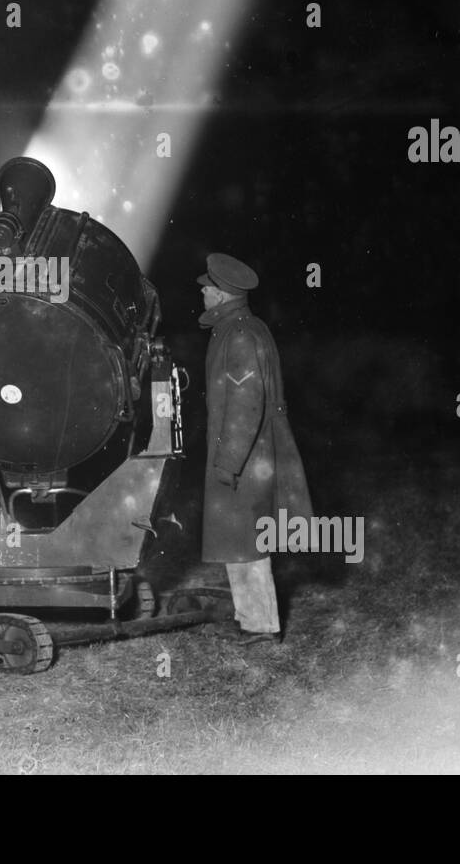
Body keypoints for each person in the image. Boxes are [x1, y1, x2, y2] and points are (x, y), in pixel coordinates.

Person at [198, 252, 313, 644]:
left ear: (221, 294)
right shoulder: (246, 328)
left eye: (207, 288)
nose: (202, 293)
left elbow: (245, 406)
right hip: (252, 456)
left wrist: (228, 462)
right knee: (242, 541)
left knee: (247, 543)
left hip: (245, 460)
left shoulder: (240, 336)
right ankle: (251, 618)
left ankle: (261, 625)